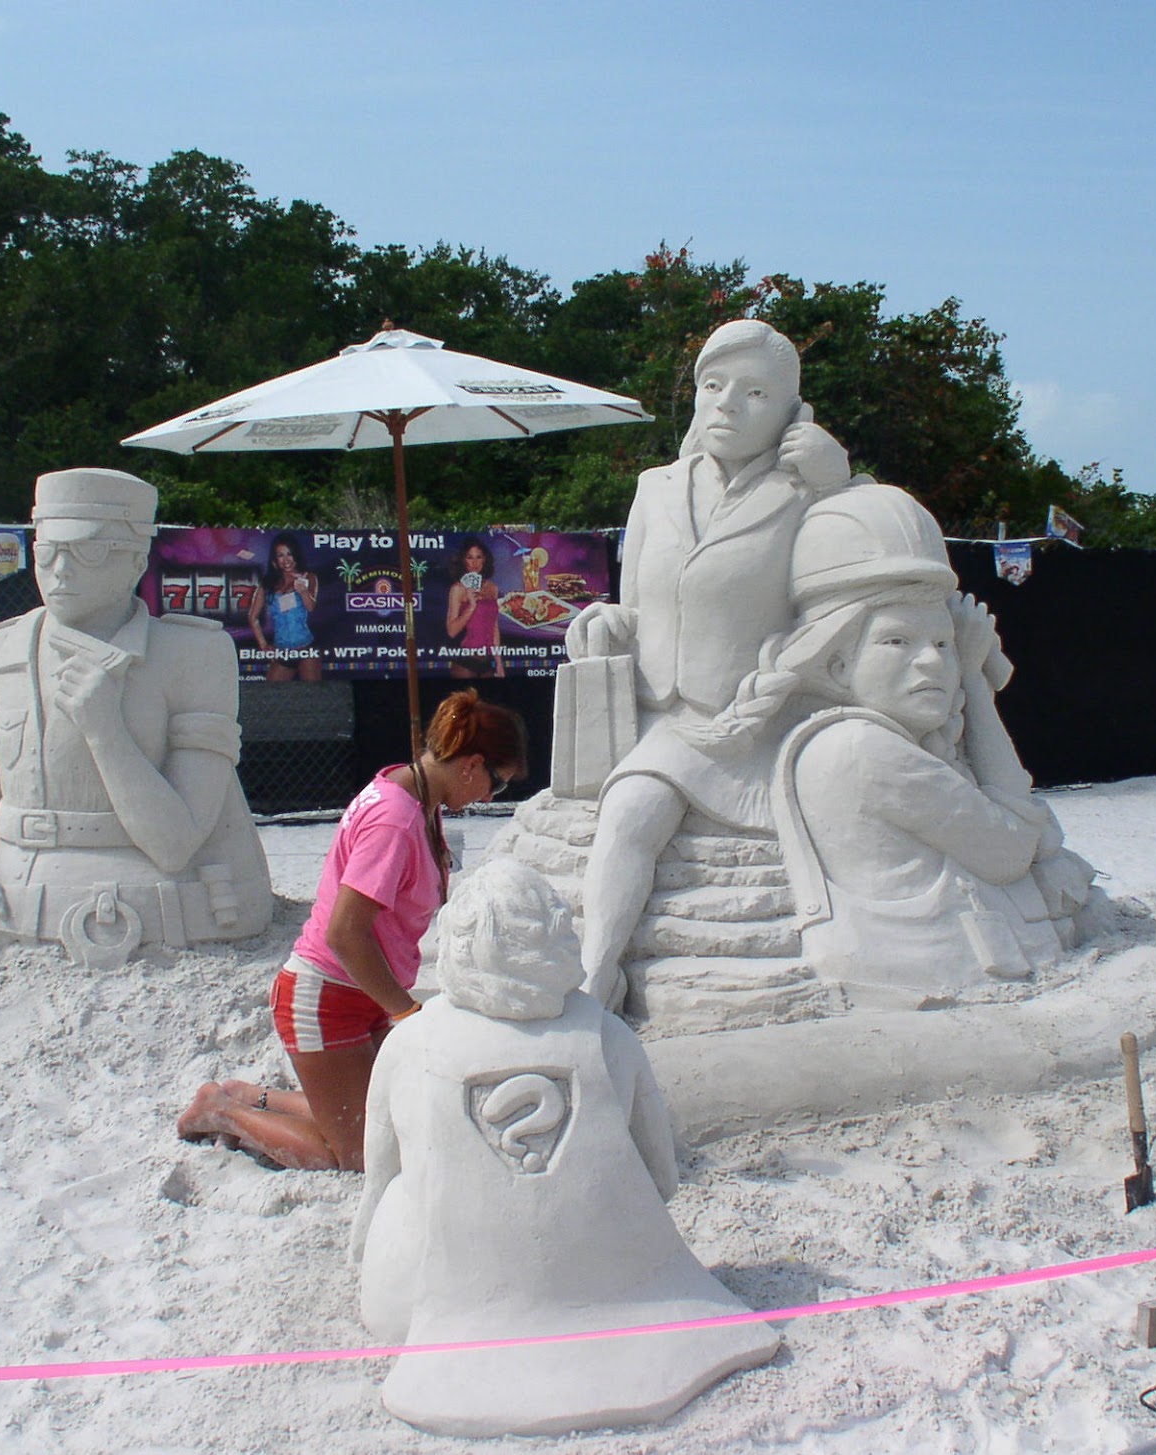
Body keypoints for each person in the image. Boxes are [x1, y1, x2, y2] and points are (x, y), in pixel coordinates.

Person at [351, 857, 779, 1436]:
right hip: (623, 1288)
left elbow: (379, 1178)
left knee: (408, 1204)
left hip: (438, 1296)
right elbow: (663, 1178)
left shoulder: (411, 1041)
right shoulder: (606, 1032)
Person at [563, 319, 855, 1007]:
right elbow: (636, 608)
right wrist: (605, 622)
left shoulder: (808, 495)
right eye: (712, 386)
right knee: (631, 808)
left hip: (754, 722)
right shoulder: (654, 489)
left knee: (635, 807)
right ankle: (597, 969)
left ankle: (596, 968)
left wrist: (839, 480)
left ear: (792, 414)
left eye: (754, 391)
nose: (726, 403)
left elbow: (851, 594)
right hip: (662, 712)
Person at [0, 468, 273, 966]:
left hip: (159, 909)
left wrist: (104, 729)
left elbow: (175, 844)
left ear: (134, 562)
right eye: (47, 553)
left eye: (86, 552)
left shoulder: (194, 655)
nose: (60, 571)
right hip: (11, 902)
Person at [177, 688, 528, 1171]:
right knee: (360, 1155)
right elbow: (345, 934)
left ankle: (243, 1095)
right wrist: (405, 1013)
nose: (490, 797)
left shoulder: (413, 796)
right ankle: (221, 1111)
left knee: (395, 1119)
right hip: (325, 996)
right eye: (498, 783)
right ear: (471, 764)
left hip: (360, 991)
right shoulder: (396, 819)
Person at [767, 482, 1093, 996]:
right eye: (897, 641)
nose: (931, 662)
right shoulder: (864, 749)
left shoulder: (878, 739)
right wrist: (974, 682)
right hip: (917, 973)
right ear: (837, 663)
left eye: (943, 643)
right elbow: (1012, 848)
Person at [248, 533, 322, 682]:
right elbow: (253, 617)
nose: (286, 560)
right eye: (280, 555)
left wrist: (302, 591)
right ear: (275, 560)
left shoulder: (308, 577)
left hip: (306, 648)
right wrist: (263, 645)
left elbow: (311, 607)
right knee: (272, 695)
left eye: (289, 554)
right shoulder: (267, 584)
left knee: (314, 695)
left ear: (296, 556)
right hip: (282, 651)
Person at [445, 536, 503, 679]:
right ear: (464, 560)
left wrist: (499, 663)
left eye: (479, 557)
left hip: (487, 659)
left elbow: (494, 627)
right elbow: (452, 631)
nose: (474, 562)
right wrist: (471, 606)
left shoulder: (492, 588)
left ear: (485, 560)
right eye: (470, 557)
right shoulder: (458, 589)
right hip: (465, 659)